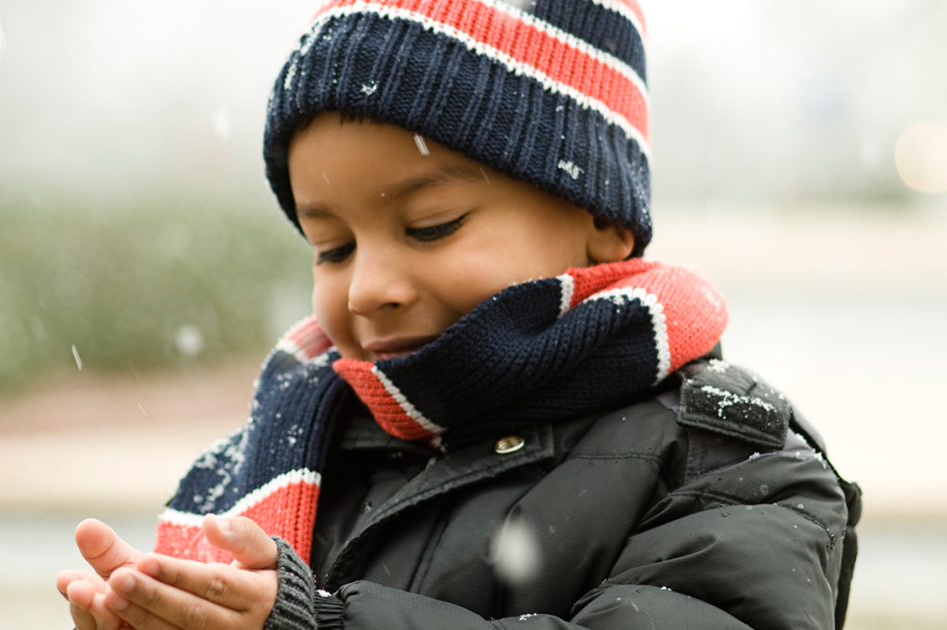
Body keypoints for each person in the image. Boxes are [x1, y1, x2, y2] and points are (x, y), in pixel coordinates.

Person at [57, 1, 862, 628]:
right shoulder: (291, 456)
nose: (366, 288)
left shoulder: (728, 464)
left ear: (601, 220)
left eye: (429, 226)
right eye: (332, 247)